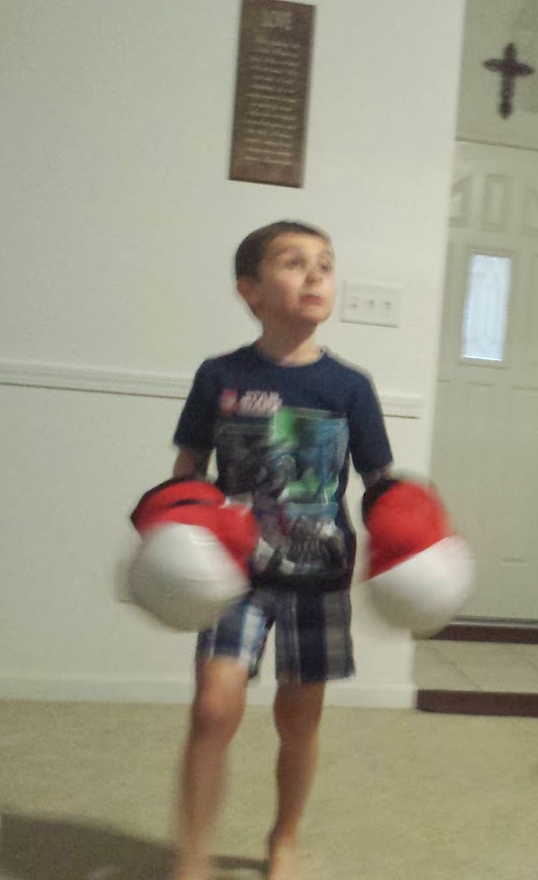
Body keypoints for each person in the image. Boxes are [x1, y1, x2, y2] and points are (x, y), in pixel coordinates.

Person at [168, 220, 392, 880]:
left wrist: (411, 533)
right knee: (213, 708)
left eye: (325, 263)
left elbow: (380, 481)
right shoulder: (220, 375)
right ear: (250, 289)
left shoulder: (350, 387)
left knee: (299, 717)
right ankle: (192, 853)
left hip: (316, 575)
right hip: (231, 572)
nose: (316, 275)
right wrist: (172, 532)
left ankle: (284, 838)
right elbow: (187, 469)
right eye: (294, 263)